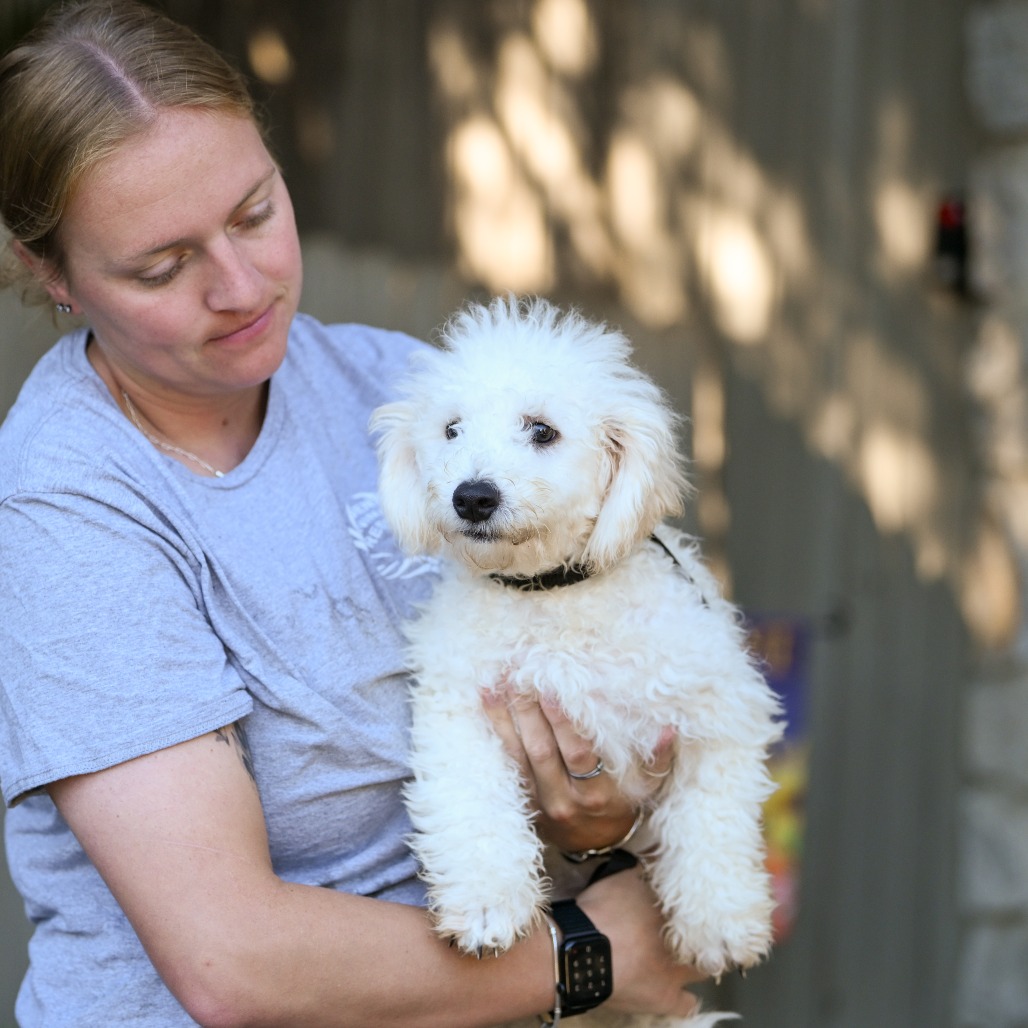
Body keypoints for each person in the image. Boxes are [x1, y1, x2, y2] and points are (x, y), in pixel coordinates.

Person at [0, 2, 705, 1025]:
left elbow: (658, 689)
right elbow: (231, 960)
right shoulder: (64, 508)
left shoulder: (401, 392)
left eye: (253, 212)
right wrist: (589, 953)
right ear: (50, 274)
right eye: (162, 266)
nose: (240, 287)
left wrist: (602, 815)